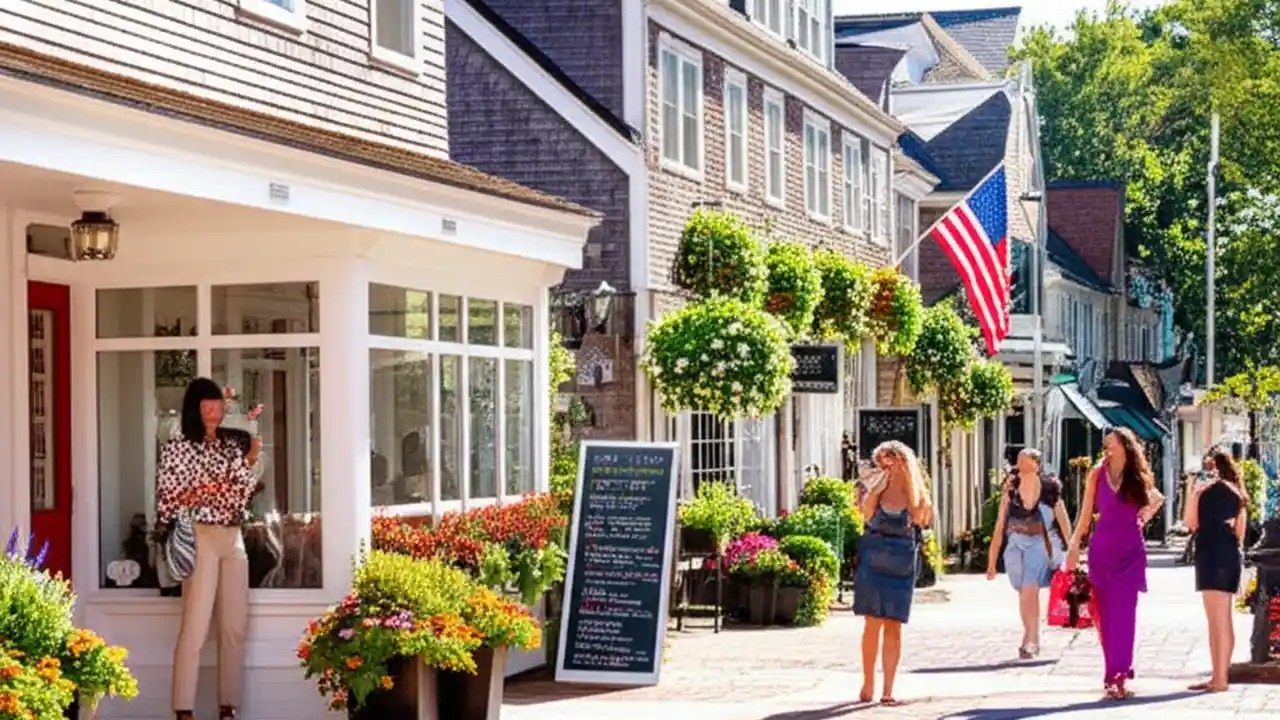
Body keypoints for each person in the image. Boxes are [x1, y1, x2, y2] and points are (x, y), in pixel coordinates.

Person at [155, 378, 261, 720]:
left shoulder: (233, 446)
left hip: (233, 536)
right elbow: (168, 502)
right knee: (195, 626)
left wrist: (213, 487)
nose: (214, 410)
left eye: (218, 403)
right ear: (195, 407)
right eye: (207, 404)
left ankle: (228, 706)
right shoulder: (178, 447)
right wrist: (215, 488)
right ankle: (183, 709)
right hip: (199, 536)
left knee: (234, 626)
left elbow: (241, 494)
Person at [1065, 426, 1165, 700]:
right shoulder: (1097, 474)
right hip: (1102, 552)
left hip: (1131, 552)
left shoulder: (1137, 475)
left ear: (1125, 445)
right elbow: (1085, 515)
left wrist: (1141, 518)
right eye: (1105, 444)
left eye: (1112, 444)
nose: (1107, 449)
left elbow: (1157, 498)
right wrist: (1074, 548)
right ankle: (1111, 675)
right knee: (1106, 616)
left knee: (1125, 615)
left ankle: (1121, 673)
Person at [854, 441, 934, 706]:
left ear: (902, 461)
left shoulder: (917, 491)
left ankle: (888, 688)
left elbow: (922, 518)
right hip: (874, 558)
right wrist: (875, 490)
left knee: (894, 625)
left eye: (887, 461)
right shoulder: (873, 486)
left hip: (901, 562)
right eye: (879, 461)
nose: (882, 466)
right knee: (872, 623)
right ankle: (868, 682)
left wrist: (911, 489)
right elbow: (866, 515)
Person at [987, 448, 1072, 659]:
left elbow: (1062, 520)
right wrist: (991, 561)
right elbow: (1000, 524)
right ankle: (1030, 633)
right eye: (1019, 461)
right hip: (1015, 543)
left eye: (1025, 461)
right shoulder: (1011, 488)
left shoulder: (1050, 489)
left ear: (1036, 463)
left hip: (1040, 543)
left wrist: (1072, 550)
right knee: (1022, 590)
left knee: (1029, 588)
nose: (1020, 464)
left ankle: (1031, 639)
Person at [1184, 446, 1247, 693]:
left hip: (1210, 554)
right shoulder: (1237, 493)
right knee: (1226, 619)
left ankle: (1218, 679)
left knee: (1215, 622)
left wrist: (1193, 493)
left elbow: (1190, 523)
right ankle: (1222, 675)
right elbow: (1241, 534)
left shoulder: (1205, 492)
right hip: (1230, 554)